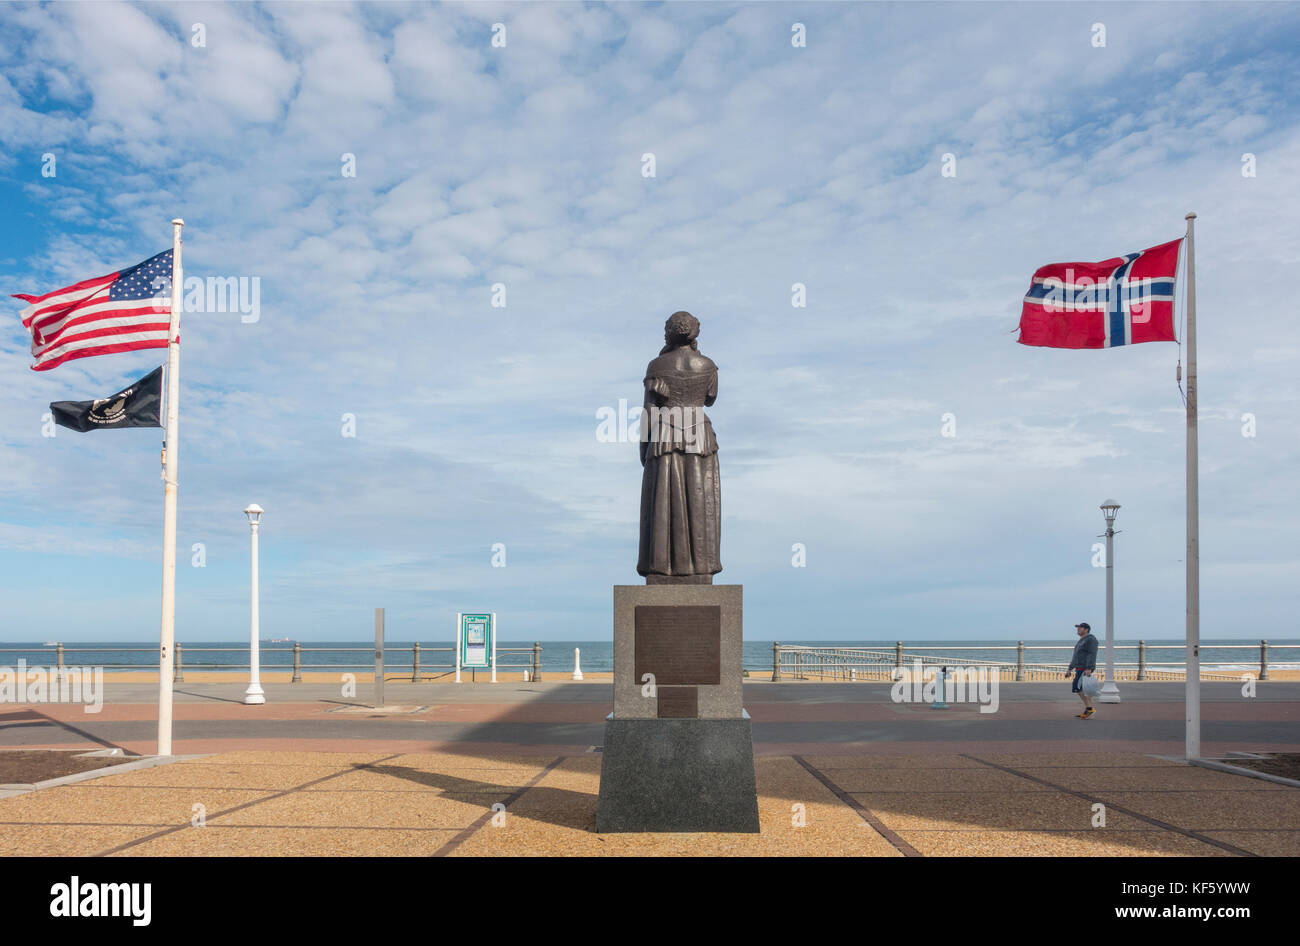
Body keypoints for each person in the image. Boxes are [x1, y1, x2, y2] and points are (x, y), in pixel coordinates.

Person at [636, 311, 722, 582]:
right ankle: (699, 567)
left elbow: (649, 409)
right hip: (698, 431)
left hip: (665, 433)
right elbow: (710, 398)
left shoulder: (657, 366)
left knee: (664, 497)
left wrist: (643, 448)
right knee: (699, 497)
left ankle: (662, 566)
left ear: (670, 333)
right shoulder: (707, 366)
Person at [1064, 622, 1098, 718]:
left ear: (1086, 629)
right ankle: (1089, 710)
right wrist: (1070, 668)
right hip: (1079, 667)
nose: (1078, 629)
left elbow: (1092, 654)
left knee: (1077, 687)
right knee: (1084, 689)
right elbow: (1076, 656)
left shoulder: (1090, 639)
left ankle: (1090, 709)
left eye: (1080, 627)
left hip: (1084, 668)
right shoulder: (1081, 640)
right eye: (1077, 628)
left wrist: (1089, 668)